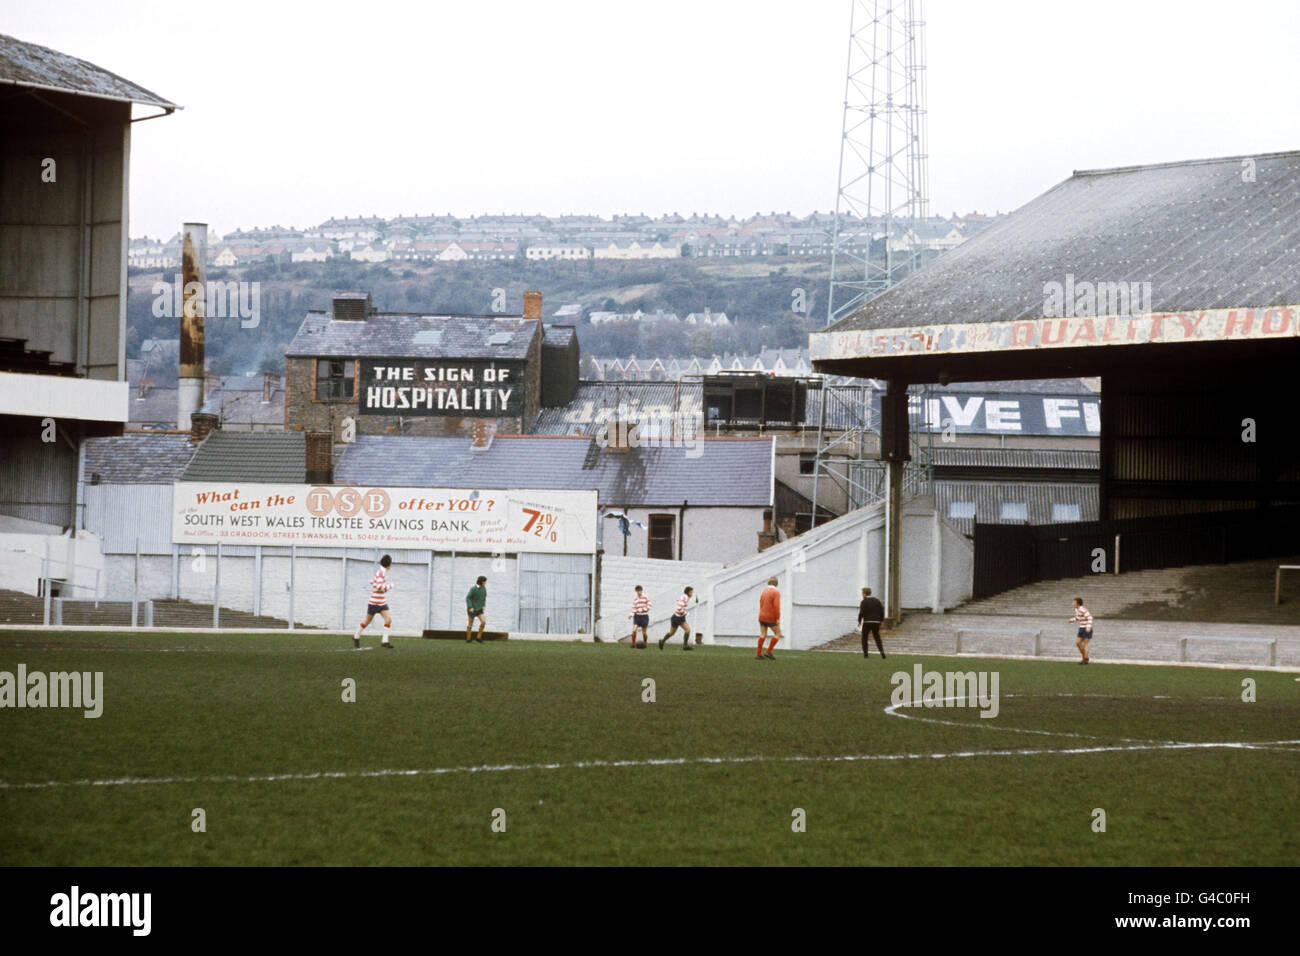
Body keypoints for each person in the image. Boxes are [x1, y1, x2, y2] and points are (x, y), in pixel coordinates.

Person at [354, 554, 394, 649]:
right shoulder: (381, 573)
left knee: (388, 619)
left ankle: (385, 641)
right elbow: (378, 586)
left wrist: (378, 584)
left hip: (382, 602)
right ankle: (356, 636)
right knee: (367, 621)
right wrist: (389, 586)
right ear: (388, 564)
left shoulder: (380, 572)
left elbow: (373, 582)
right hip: (374, 602)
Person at [659, 586, 694, 651]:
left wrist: (684, 613)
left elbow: (680, 606)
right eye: (691, 592)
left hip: (678, 617)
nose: (692, 594)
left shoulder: (685, 597)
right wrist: (686, 613)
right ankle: (663, 641)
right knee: (681, 631)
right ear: (688, 592)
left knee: (677, 632)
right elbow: (679, 608)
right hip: (677, 618)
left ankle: (684, 646)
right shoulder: (685, 597)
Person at [756, 576, 781, 660]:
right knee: (778, 633)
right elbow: (776, 606)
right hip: (770, 616)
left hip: (762, 615)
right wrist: (777, 618)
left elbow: (760, 602)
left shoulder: (764, 591)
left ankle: (758, 654)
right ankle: (768, 651)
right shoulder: (776, 592)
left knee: (763, 634)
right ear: (776, 583)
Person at [858, 587, 886, 658]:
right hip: (876, 622)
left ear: (864, 594)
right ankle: (882, 652)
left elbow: (861, 612)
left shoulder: (864, 601)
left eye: (862, 593)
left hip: (867, 622)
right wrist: (881, 621)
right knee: (877, 637)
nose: (862, 595)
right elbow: (881, 611)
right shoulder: (877, 601)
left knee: (864, 637)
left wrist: (859, 621)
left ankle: (865, 654)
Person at [1068, 597, 1093, 664]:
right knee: (1078, 643)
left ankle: (1085, 659)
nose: (1073, 603)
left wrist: (1088, 627)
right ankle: (1085, 657)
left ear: (1078, 603)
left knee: (1085, 644)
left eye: (1074, 602)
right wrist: (1072, 620)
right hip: (1081, 628)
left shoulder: (1082, 609)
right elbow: (1078, 617)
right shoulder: (1077, 609)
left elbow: (1090, 617)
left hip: (1086, 628)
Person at [466, 575, 488, 643]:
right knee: (470, 623)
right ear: (481, 582)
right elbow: (468, 598)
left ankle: (478, 637)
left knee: (483, 622)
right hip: (472, 609)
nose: (485, 583)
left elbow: (484, 597)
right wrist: (470, 607)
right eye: (485, 582)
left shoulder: (484, 588)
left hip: (479, 609)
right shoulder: (473, 589)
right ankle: (468, 638)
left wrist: (484, 605)